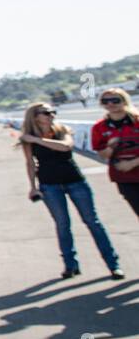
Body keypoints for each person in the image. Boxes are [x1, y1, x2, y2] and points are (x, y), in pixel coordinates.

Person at [21, 102, 123, 279]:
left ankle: (113, 264)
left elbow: (65, 146)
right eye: (46, 112)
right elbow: (30, 163)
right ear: (35, 116)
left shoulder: (63, 130)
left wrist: (37, 140)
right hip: (49, 184)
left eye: (53, 111)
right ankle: (70, 265)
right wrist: (32, 187)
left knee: (92, 221)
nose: (51, 115)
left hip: (75, 181)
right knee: (62, 225)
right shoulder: (27, 139)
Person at [90, 88, 139, 220]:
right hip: (124, 178)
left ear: (124, 101)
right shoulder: (99, 127)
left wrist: (133, 163)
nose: (110, 104)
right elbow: (102, 154)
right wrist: (111, 147)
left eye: (115, 100)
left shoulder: (137, 121)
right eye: (105, 101)